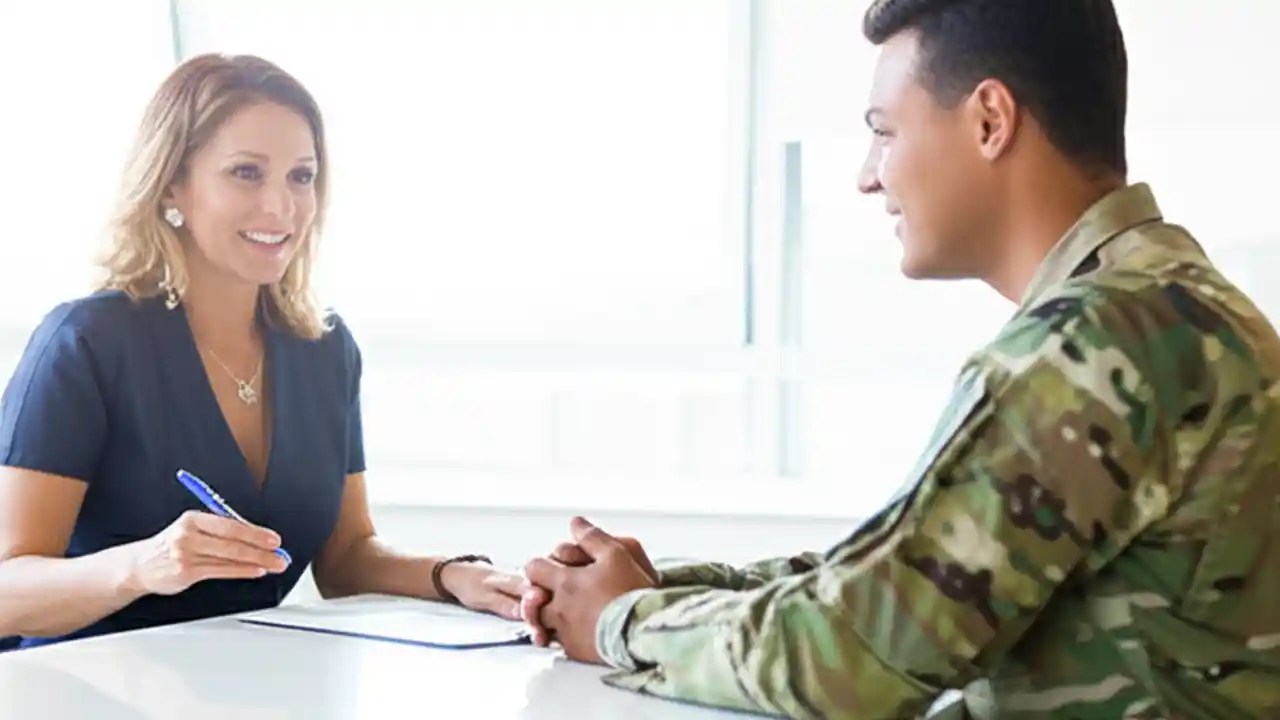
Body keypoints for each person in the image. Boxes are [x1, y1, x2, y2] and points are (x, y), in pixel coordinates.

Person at [519, 1, 1280, 717]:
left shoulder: (1090, 344)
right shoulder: (1168, 306)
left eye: (885, 131)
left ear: (989, 120)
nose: (868, 174)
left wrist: (623, 621)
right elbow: (900, 580)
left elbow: (854, 656)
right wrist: (666, 593)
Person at [0, 53, 523, 649]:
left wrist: (452, 576)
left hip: (257, 687)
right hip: (80, 693)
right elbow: (6, 590)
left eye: (301, 176)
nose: (281, 207)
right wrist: (142, 566)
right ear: (173, 182)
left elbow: (346, 557)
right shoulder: (85, 344)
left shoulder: (323, 349)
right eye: (246, 173)